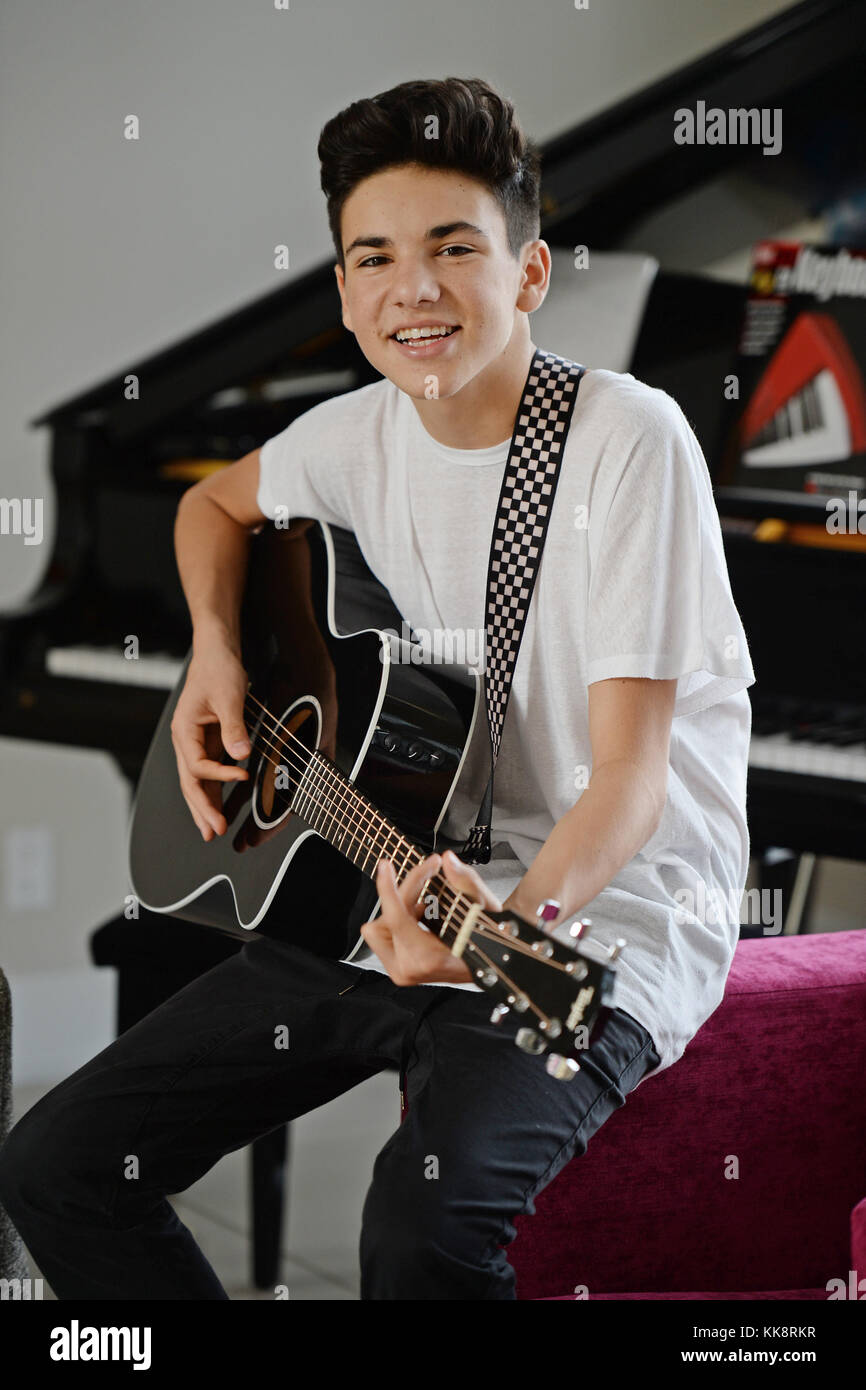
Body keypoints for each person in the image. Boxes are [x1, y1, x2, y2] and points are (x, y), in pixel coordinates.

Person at [0, 76, 755, 1300]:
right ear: (345, 293)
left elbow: (625, 783)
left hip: (582, 923)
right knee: (54, 1166)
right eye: (376, 258)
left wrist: (515, 927)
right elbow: (209, 505)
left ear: (528, 274)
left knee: (416, 1242)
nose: (414, 287)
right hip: (385, 882)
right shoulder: (351, 434)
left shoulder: (626, 439)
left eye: (454, 248)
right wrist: (215, 654)